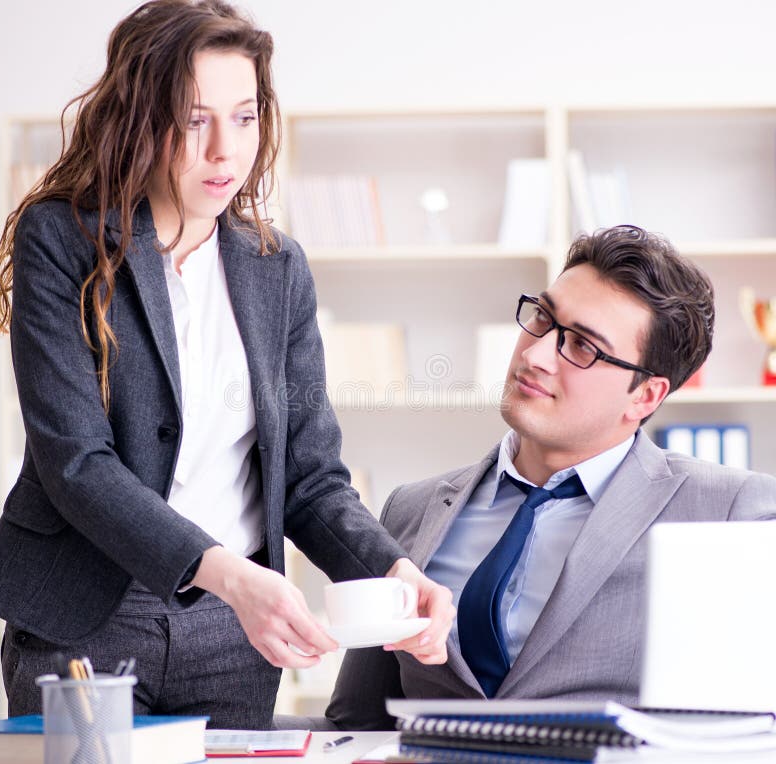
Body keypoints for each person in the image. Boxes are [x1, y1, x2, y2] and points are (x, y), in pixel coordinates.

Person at [0, 0, 454, 729]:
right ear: (139, 119)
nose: (226, 151)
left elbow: (310, 475)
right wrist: (231, 577)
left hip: (233, 639)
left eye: (245, 117)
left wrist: (393, 571)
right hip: (91, 615)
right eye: (194, 120)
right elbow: (76, 463)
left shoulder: (277, 267)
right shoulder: (64, 240)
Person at [325, 224, 776, 730]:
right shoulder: (411, 508)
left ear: (644, 396)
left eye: (583, 347)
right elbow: (354, 726)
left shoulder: (733, 512)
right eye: (542, 317)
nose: (534, 355)